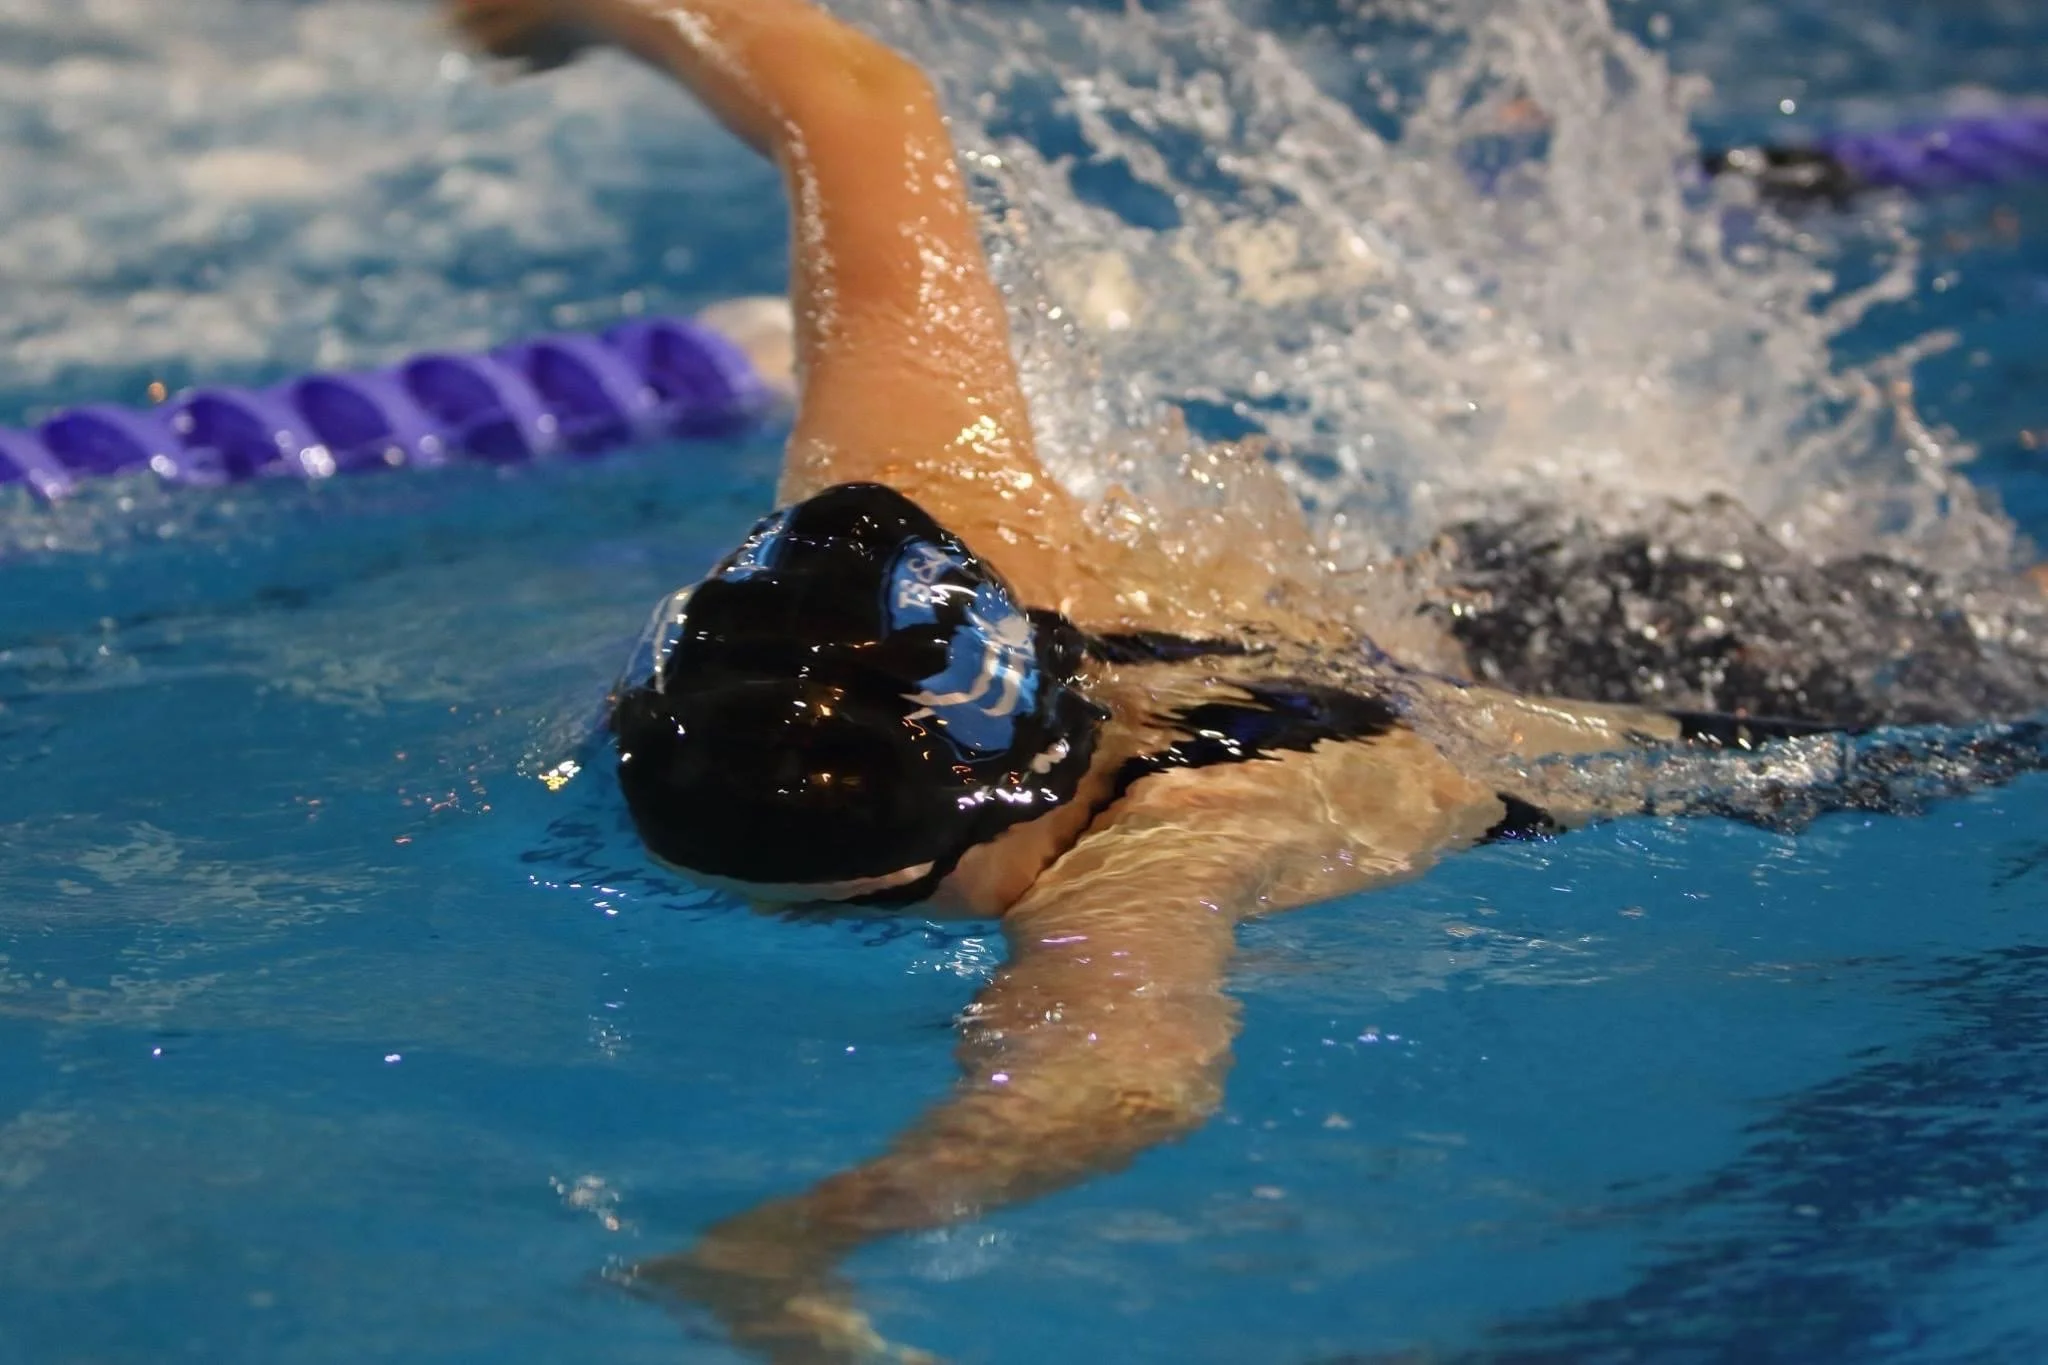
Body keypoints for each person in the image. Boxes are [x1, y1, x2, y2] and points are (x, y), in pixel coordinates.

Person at [451, 1, 2048, 1359]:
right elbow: (856, 106)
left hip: (1806, 699)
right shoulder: (949, 508)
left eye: (878, 904)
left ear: (1028, 802)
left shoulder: (1173, 842)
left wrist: (800, 1243)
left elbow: (1120, 1080)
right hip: (1528, 569)